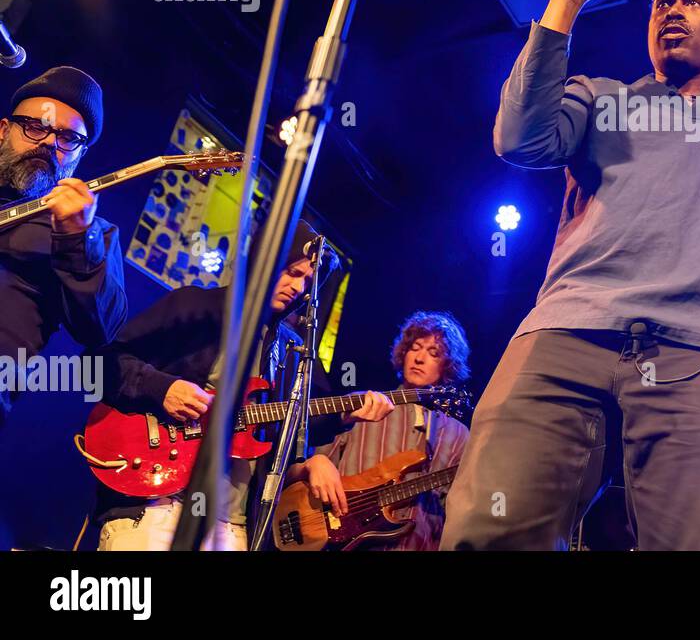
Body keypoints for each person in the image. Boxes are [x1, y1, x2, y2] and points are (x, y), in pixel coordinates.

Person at [442, 0, 700, 551]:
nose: (671, 9)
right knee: (489, 530)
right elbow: (518, 139)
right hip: (567, 333)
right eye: (661, 2)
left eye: (691, 1)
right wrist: (567, 0)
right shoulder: (600, 96)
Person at [93, 220, 383, 550]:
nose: (298, 287)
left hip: (231, 526)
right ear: (266, 261)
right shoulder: (197, 307)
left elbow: (298, 425)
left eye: (307, 281)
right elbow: (101, 365)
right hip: (157, 505)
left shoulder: (292, 351)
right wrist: (163, 388)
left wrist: (345, 414)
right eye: (291, 272)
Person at [0, 66, 126, 428]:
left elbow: (103, 330)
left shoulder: (93, 233)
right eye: (36, 126)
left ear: (78, 156)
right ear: (4, 131)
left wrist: (75, 237)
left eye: (68, 138)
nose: (49, 143)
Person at [289, 311, 471, 550]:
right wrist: (314, 463)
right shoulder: (365, 405)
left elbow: (460, 513)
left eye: (433, 353)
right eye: (415, 348)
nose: (419, 358)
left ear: (447, 366)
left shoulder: (458, 436)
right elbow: (303, 472)